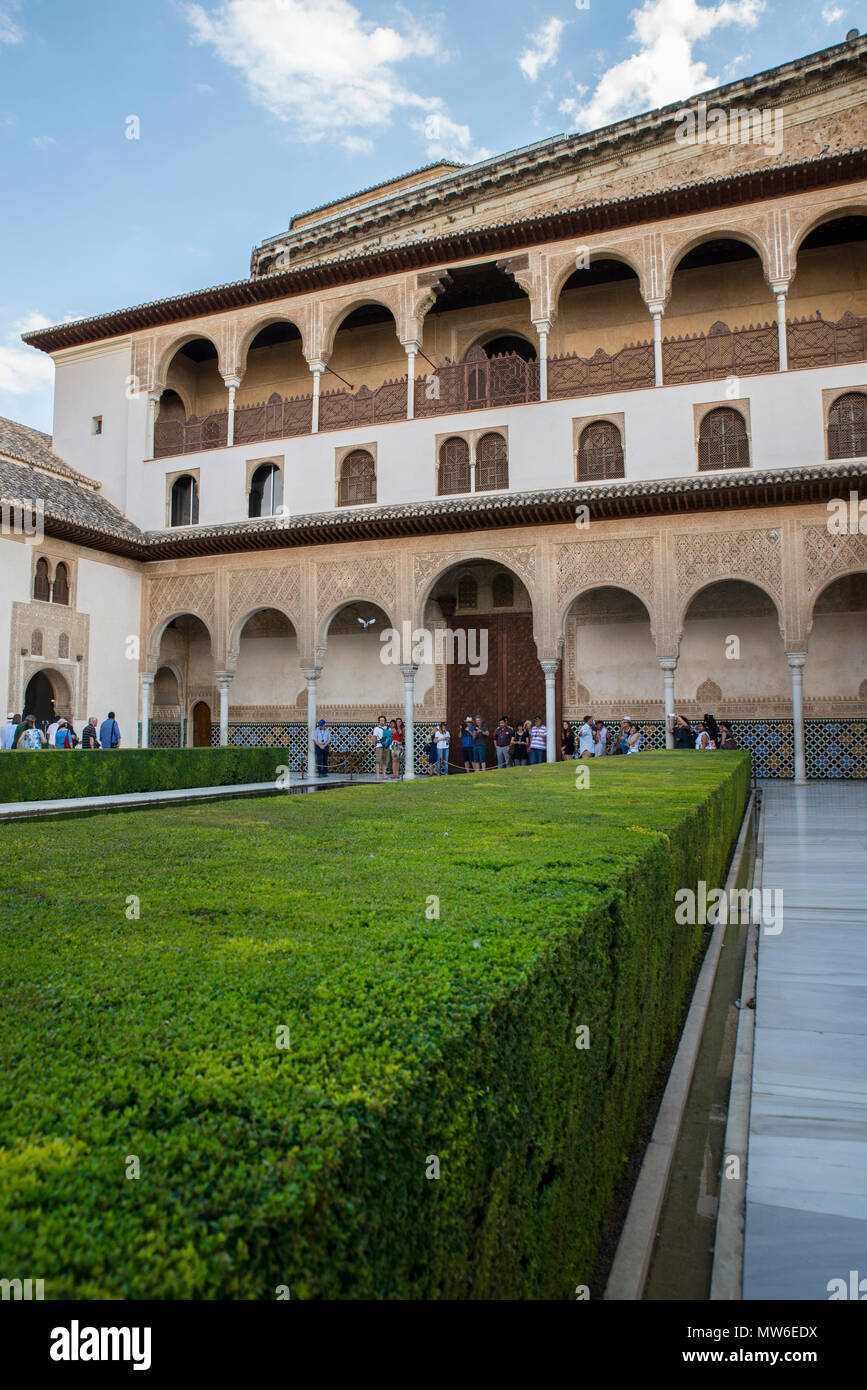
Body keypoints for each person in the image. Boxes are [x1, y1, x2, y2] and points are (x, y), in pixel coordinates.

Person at [371, 714, 390, 781]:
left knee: (385, 761)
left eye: (383, 720)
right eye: (380, 720)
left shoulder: (388, 728)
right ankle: (378, 775)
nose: (382, 722)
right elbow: (374, 737)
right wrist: (374, 745)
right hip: (379, 746)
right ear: (379, 721)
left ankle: (384, 774)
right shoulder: (376, 728)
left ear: (385, 721)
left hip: (386, 746)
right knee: (378, 761)